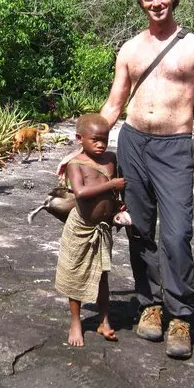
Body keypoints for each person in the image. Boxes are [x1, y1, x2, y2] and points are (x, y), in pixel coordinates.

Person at [99, 0, 194, 359]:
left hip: (174, 147)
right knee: (139, 231)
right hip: (133, 143)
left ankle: (180, 315)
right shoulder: (130, 48)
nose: (156, 2)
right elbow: (114, 103)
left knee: (176, 234)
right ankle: (150, 306)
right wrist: (86, 144)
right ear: (140, 2)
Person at [55, 113, 126, 347]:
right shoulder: (75, 164)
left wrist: (117, 205)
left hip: (102, 227)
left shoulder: (111, 160)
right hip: (81, 227)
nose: (100, 144)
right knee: (74, 274)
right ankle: (76, 321)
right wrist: (111, 184)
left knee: (103, 275)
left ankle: (104, 320)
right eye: (95, 140)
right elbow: (81, 193)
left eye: (104, 139)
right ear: (80, 138)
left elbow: (113, 192)